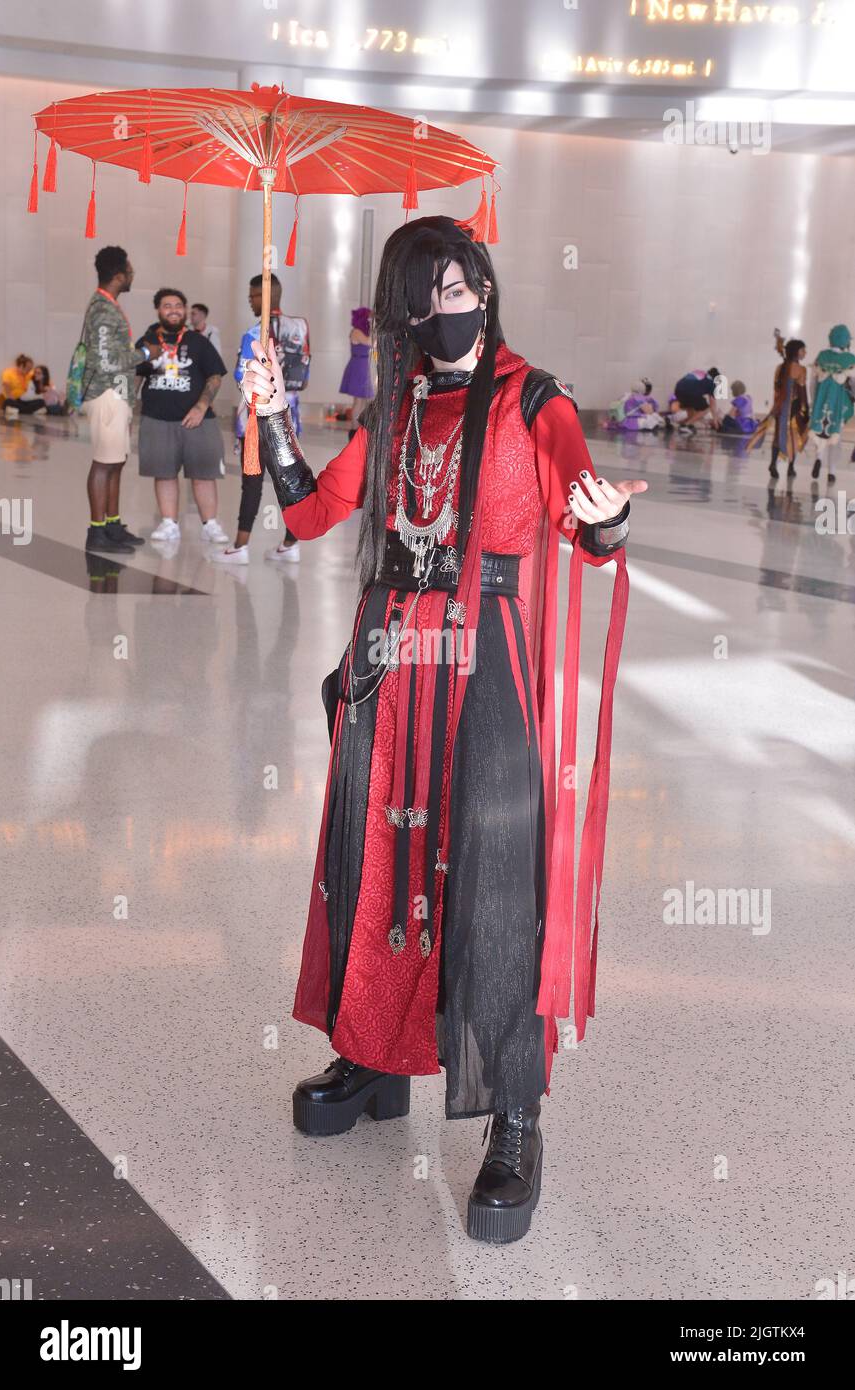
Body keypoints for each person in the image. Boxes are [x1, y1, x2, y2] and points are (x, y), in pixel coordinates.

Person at [242, 215, 647, 1244]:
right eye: (436, 290)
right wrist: (272, 423)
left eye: (470, 283)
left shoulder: (533, 398)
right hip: (389, 657)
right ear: (406, 307)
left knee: (492, 879)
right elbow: (305, 515)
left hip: (485, 666)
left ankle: (514, 1118)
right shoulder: (397, 406)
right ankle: (371, 1057)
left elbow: (583, 518)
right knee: (374, 856)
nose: (459, 302)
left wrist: (605, 520)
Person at [81, 245, 161, 554]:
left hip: (117, 395)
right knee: (104, 463)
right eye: (129, 270)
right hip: (106, 395)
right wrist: (145, 353)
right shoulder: (102, 309)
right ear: (118, 276)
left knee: (115, 461)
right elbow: (106, 359)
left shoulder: (109, 304)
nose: (133, 274)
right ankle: (97, 531)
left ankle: (112, 525)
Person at [134, 288, 228, 544]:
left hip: (197, 420)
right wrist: (127, 408)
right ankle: (168, 523)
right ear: (158, 310)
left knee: (204, 473)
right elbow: (136, 376)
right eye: (167, 305)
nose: (173, 310)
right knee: (163, 472)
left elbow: (215, 376)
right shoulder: (147, 342)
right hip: (156, 417)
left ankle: (210, 525)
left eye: (178, 305)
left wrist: (201, 406)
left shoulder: (198, 341)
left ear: (185, 310)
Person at [218, 274, 301, 564]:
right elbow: (304, 375)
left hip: (255, 419)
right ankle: (291, 543)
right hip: (290, 417)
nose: (249, 301)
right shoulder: (299, 329)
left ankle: (241, 546)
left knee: (252, 482)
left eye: (253, 296)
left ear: (265, 297)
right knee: (289, 482)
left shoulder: (253, 334)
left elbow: (243, 376)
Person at [747, 332, 809, 480]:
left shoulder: (779, 368)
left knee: (778, 436)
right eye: (803, 350)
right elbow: (802, 392)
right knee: (794, 438)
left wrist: (777, 407)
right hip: (793, 409)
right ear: (796, 352)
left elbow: (777, 389)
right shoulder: (801, 370)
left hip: (780, 408)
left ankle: (773, 463)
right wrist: (806, 410)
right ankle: (791, 468)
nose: (805, 352)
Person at [807, 324, 855, 485]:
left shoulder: (821, 356)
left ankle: (819, 458)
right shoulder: (850, 359)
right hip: (840, 403)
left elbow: (813, 381)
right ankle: (831, 472)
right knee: (835, 434)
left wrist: (814, 399)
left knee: (820, 430)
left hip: (822, 400)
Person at [338, 306, 375, 442]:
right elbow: (371, 342)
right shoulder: (357, 332)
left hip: (362, 365)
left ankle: (356, 428)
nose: (370, 321)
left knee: (361, 400)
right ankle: (354, 430)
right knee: (358, 401)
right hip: (358, 366)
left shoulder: (361, 332)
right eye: (369, 318)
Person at [672, 367, 723, 435]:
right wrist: (715, 421)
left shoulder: (699, 372)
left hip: (678, 389)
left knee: (691, 408)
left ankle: (686, 426)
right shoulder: (712, 382)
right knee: (706, 409)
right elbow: (712, 405)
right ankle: (686, 425)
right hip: (690, 391)